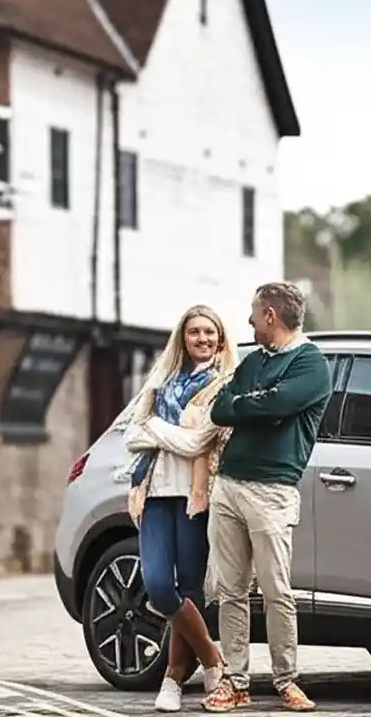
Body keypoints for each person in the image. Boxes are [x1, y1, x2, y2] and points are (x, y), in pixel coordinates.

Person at [201, 282, 330, 713]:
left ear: (271, 316)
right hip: (229, 486)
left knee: (277, 590)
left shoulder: (311, 365)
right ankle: (234, 683)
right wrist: (258, 405)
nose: (250, 322)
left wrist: (254, 404)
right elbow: (221, 408)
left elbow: (279, 406)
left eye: (254, 315)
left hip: (272, 489)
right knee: (230, 590)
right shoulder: (252, 361)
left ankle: (286, 680)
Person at [118, 304, 238, 712]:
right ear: (183, 339)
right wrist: (160, 431)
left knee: (189, 589)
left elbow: (199, 442)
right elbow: (130, 435)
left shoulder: (225, 385)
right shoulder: (161, 380)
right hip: (153, 493)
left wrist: (153, 428)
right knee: (157, 587)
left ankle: (171, 680)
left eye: (209, 332)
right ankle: (211, 659)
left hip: (195, 496)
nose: (201, 338)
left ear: (220, 339)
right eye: (194, 332)